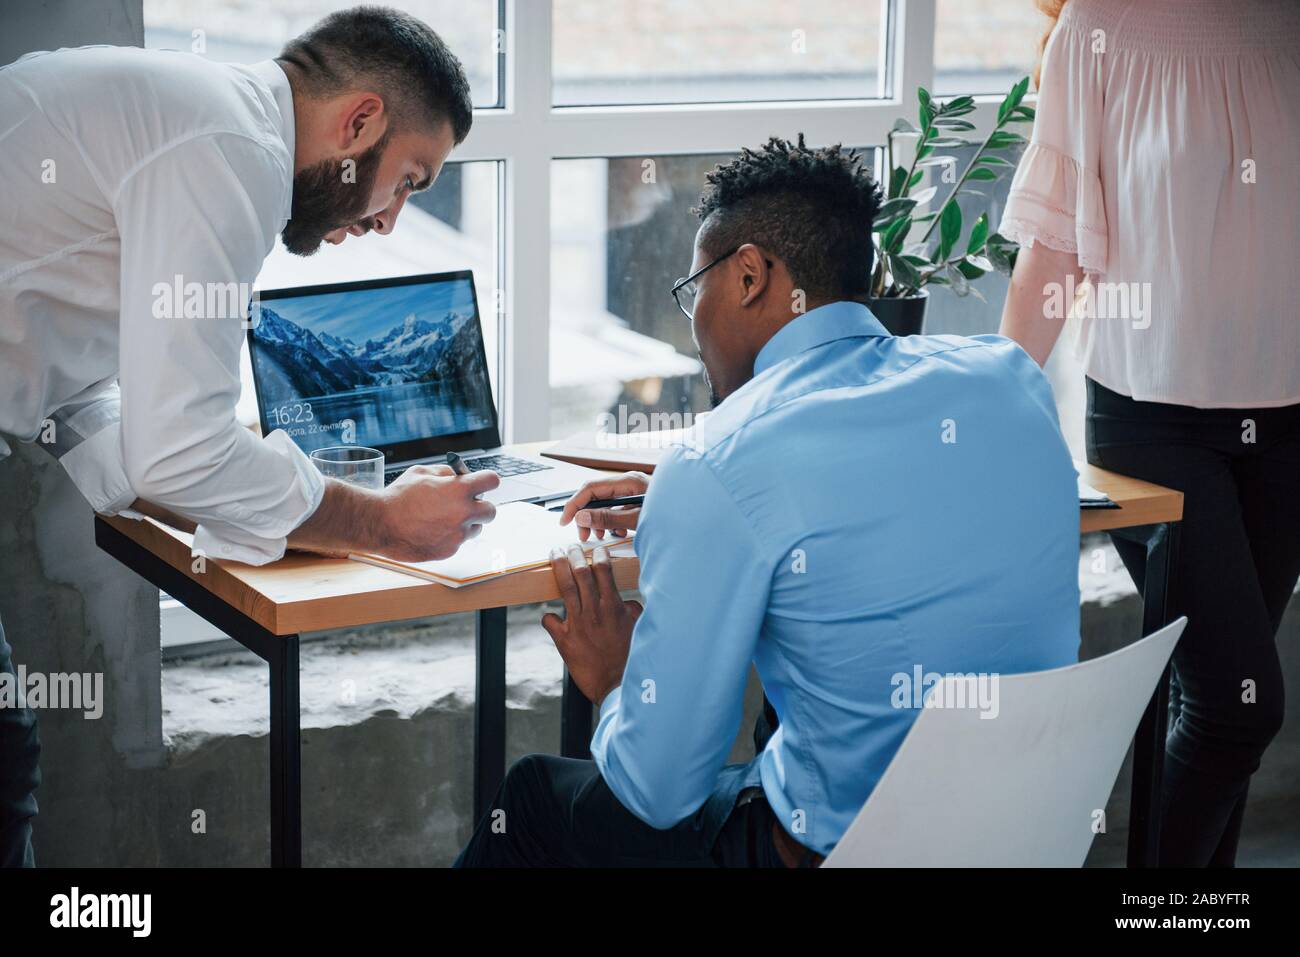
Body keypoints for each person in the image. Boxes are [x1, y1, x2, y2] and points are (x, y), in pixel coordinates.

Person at [455, 136, 1082, 868]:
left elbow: (658, 792)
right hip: (1023, 833)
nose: (693, 328)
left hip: (839, 853)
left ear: (750, 274)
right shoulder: (1009, 380)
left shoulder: (720, 461)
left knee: (536, 794)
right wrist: (701, 506)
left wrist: (623, 680)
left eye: (695, 292)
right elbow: (889, 495)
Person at [0, 7, 500, 867]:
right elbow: (177, 450)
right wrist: (378, 520)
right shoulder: (234, 153)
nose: (391, 219)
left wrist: (253, 485)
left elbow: (88, 401)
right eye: (410, 179)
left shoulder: (198, 119)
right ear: (359, 123)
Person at [997, 0, 1300, 866]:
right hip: (1153, 422)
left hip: (1288, 426)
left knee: (1221, 707)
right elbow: (1051, 248)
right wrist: (984, 414)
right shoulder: (1099, 25)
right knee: (1236, 708)